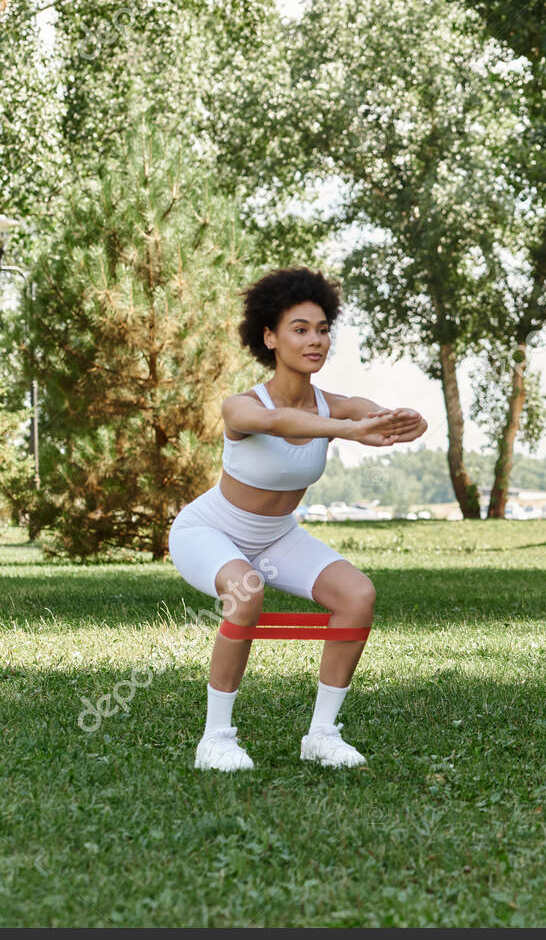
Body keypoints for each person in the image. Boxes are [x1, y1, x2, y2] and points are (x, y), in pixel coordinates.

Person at [168, 268, 426, 772]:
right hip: (209, 531)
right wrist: (348, 430)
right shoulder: (243, 406)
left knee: (357, 595)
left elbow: (369, 411)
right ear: (270, 337)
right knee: (245, 591)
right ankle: (215, 739)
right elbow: (285, 422)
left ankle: (323, 735)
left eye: (323, 329)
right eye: (300, 329)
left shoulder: (335, 406)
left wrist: (400, 420)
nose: (315, 340)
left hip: (276, 537)